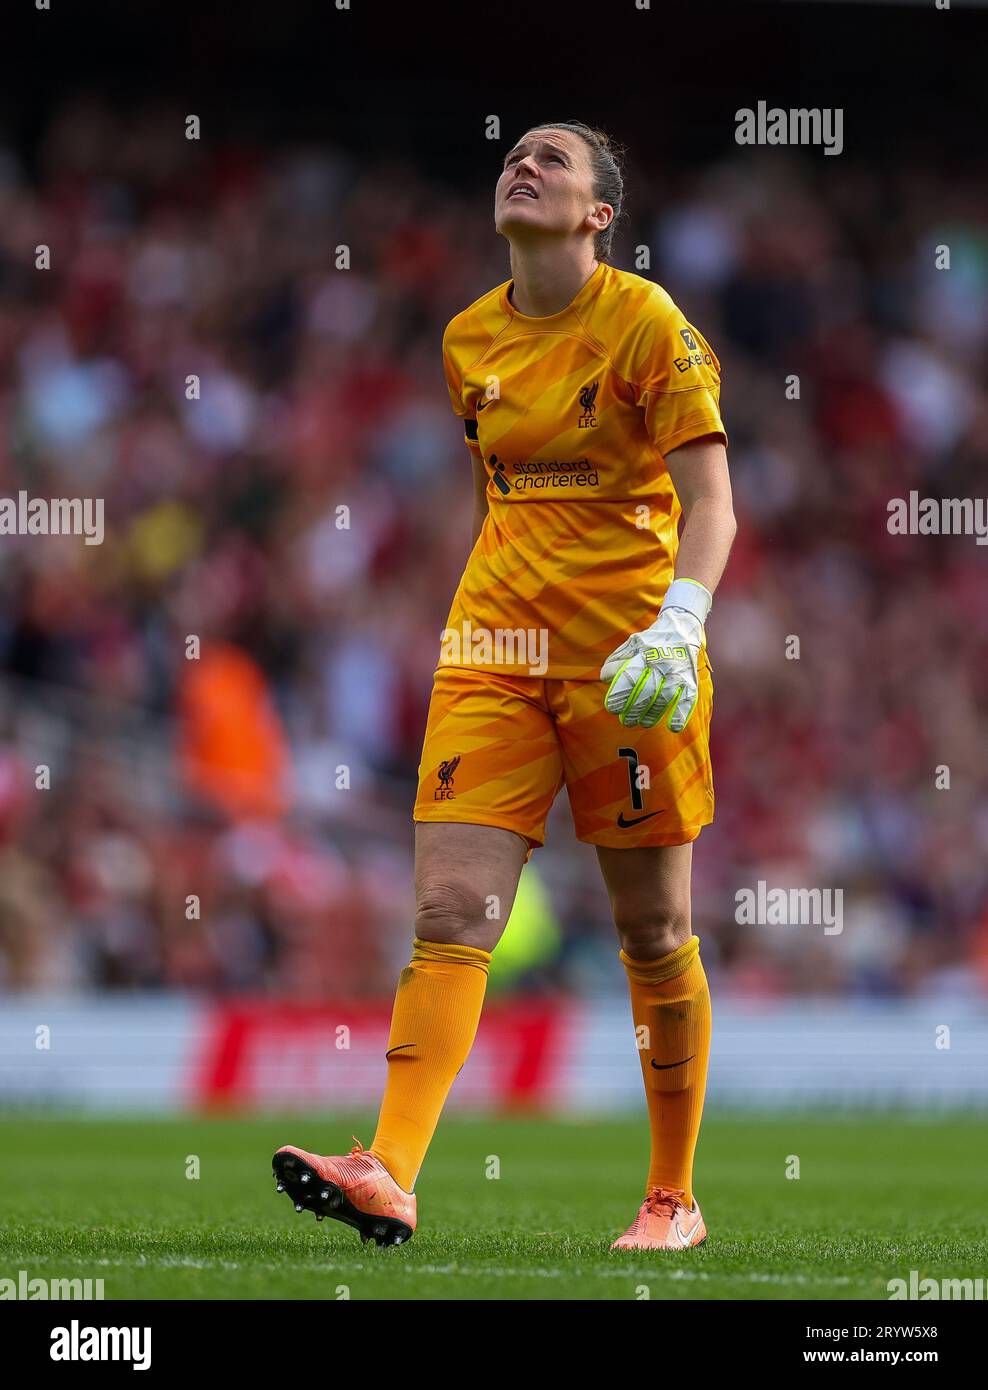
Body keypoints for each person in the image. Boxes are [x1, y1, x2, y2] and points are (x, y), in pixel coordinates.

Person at [273, 121, 736, 1251]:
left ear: (597, 216)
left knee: (653, 929)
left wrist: (682, 623)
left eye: (552, 161)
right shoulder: (467, 336)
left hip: (629, 661)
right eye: (512, 155)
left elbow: (712, 500)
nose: (521, 165)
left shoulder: (645, 322)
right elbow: (505, 499)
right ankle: (388, 1167)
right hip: (494, 650)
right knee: (449, 911)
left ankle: (672, 1198)